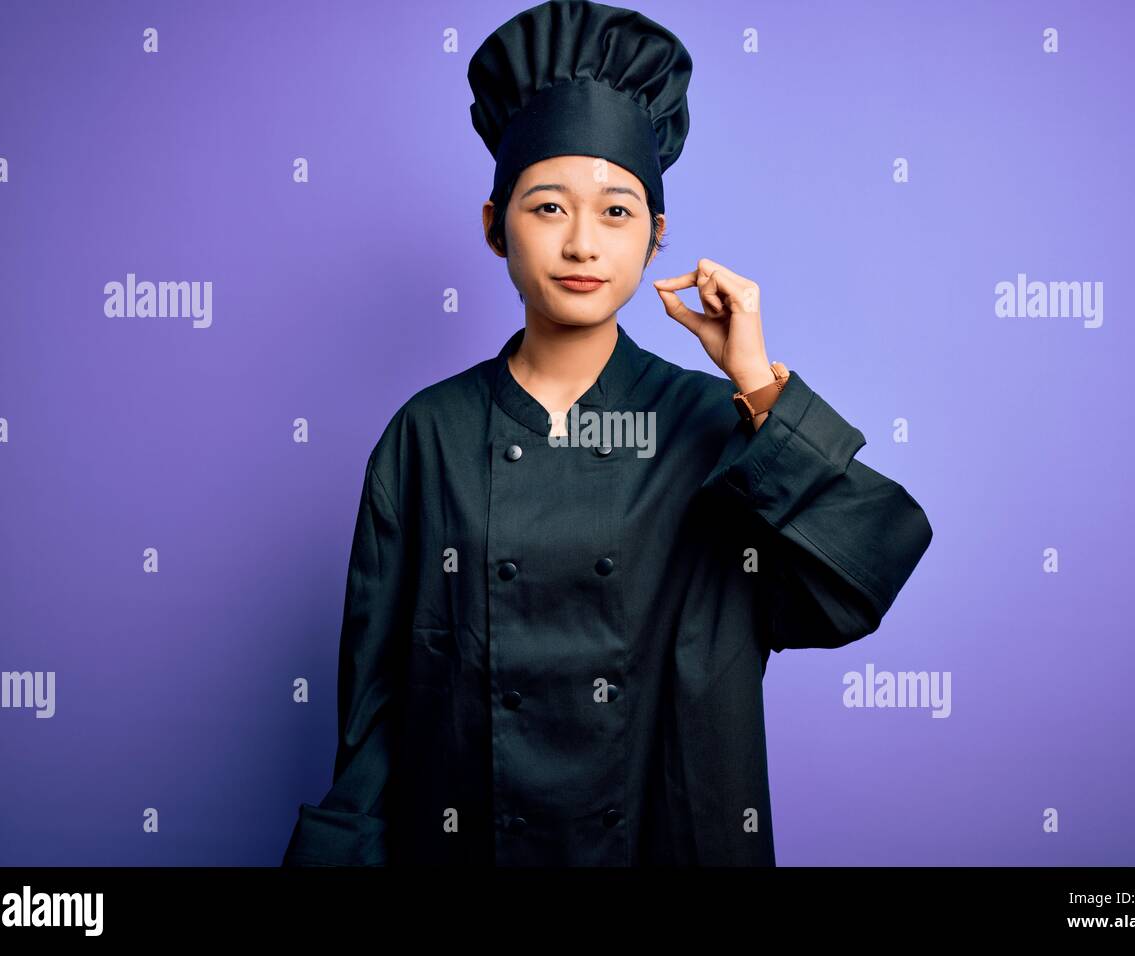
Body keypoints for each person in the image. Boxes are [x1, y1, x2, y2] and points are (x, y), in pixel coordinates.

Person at [281, 0, 932, 867]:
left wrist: (756, 381)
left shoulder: (713, 424)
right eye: (547, 207)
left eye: (618, 213)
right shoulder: (427, 436)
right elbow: (373, 714)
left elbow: (863, 576)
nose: (582, 243)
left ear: (657, 237)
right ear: (493, 227)